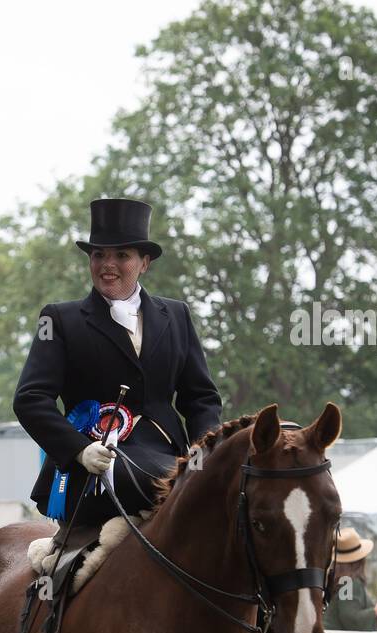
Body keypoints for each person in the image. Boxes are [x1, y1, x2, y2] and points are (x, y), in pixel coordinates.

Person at [13, 198, 222, 538]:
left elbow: (201, 399)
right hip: (95, 462)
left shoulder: (177, 316)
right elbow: (30, 398)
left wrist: (205, 453)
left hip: (166, 452)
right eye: (99, 256)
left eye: (121, 255)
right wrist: (78, 450)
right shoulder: (59, 319)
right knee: (150, 481)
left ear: (144, 263)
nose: (107, 265)